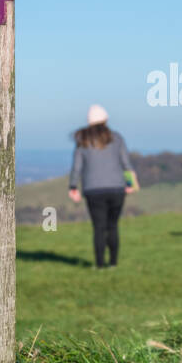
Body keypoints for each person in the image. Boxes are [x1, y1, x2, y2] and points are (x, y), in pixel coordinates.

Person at [68, 104, 139, 269]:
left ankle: (100, 265)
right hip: (116, 188)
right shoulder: (117, 138)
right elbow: (126, 164)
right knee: (112, 226)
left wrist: (73, 186)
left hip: (93, 190)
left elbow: (77, 167)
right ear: (105, 120)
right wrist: (130, 184)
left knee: (99, 228)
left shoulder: (82, 140)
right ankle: (113, 263)